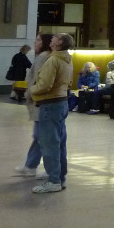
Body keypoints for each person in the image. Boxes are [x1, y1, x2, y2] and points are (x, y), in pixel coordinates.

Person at [29, 32, 74, 194]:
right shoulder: (67, 59)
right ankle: (60, 177)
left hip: (50, 104)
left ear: (59, 42)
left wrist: (31, 90)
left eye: (54, 37)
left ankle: (53, 180)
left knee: (49, 144)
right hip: (62, 102)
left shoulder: (53, 60)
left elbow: (44, 85)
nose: (52, 39)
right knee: (60, 143)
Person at [14, 33, 54, 178]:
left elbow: (39, 79)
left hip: (41, 102)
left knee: (41, 136)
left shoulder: (44, 57)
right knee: (39, 136)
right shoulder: (43, 56)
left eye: (38, 40)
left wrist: (30, 94)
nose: (35, 42)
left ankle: (49, 169)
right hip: (39, 100)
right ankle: (30, 165)